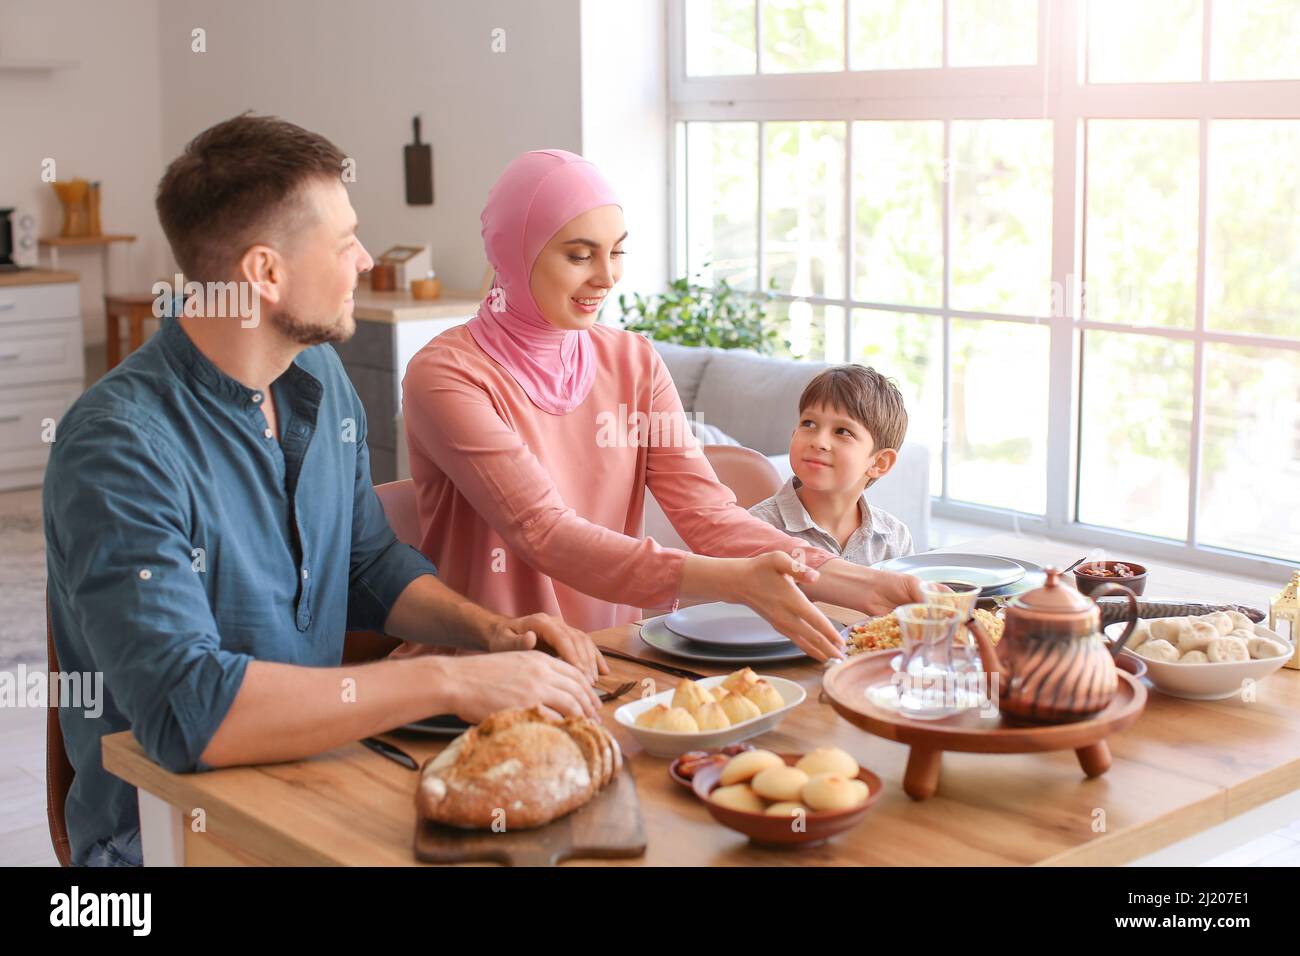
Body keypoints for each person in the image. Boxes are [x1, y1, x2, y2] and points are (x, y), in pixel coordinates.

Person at [43, 116, 605, 867]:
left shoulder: (317, 378)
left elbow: (366, 562)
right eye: (346, 242)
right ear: (265, 274)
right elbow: (188, 713)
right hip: (172, 836)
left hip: (322, 780)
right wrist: (448, 678)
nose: (366, 260)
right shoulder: (117, 446)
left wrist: (490, 633)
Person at [399, 149, 923, 664]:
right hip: (488, 670)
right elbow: (544, 532)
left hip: (620, 657)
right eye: (580, 255)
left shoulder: (634, 362)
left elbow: (709, 515)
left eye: (617, 251)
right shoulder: (447, 375)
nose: (607, 277)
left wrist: (864, 585)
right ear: (514, 252)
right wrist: (733, 581)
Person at [749, 364, 914, 565]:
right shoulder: (755, 530)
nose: (818, 442)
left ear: (879, 462)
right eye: (808, 423)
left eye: (842, 431)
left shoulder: (894, 539)